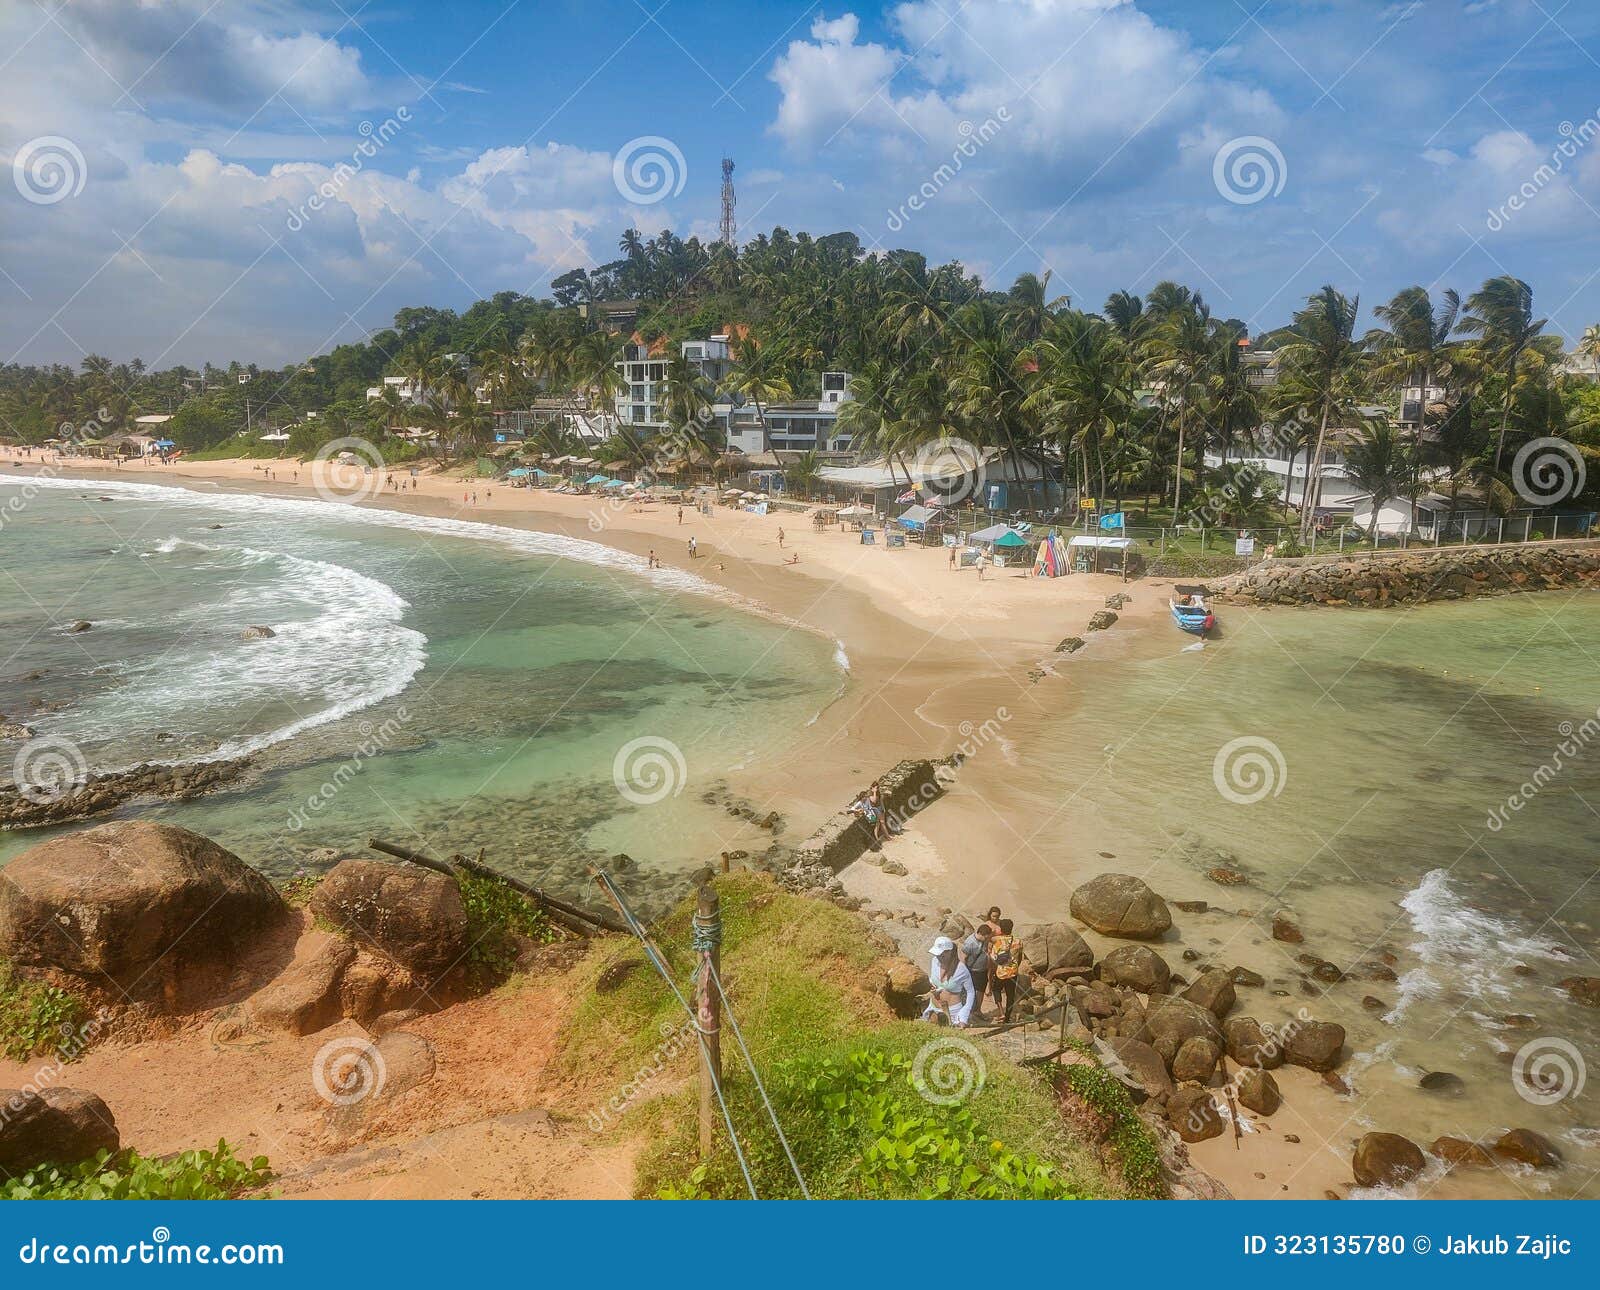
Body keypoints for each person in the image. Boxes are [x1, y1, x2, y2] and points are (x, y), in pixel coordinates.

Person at [922, 936, 975, 1028]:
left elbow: (971, 992)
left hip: (953, 1012)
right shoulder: (935, 961)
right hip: (934, 1007)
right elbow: (933, 977)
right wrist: (932, 985)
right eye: (937, 954)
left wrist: (963, 1016)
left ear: (949, 952)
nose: (938, 957)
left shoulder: (961, 969)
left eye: (941, 955)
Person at [988, 919, 1022, 1022]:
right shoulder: (1018, 941)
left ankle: (1000, 1011)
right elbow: (1020, 957)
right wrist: (1015, 966)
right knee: (1010, 995)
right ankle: (1007, 1017)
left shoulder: (998, 942)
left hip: (1001, 973)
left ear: (1001, 929)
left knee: (996, 990)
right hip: (1013, 972)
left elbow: (993, 958)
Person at [960, 924, 993, 1023]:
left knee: (981, 991)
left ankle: (978, 1011)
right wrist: (965, 974)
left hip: (982, 970)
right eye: (986, 937)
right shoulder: (970, 943)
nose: (987, 939)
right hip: (972, 971)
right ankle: (968, 1014)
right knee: (970, 993)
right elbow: (963, 958)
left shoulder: (985, 940)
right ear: (981, 934)